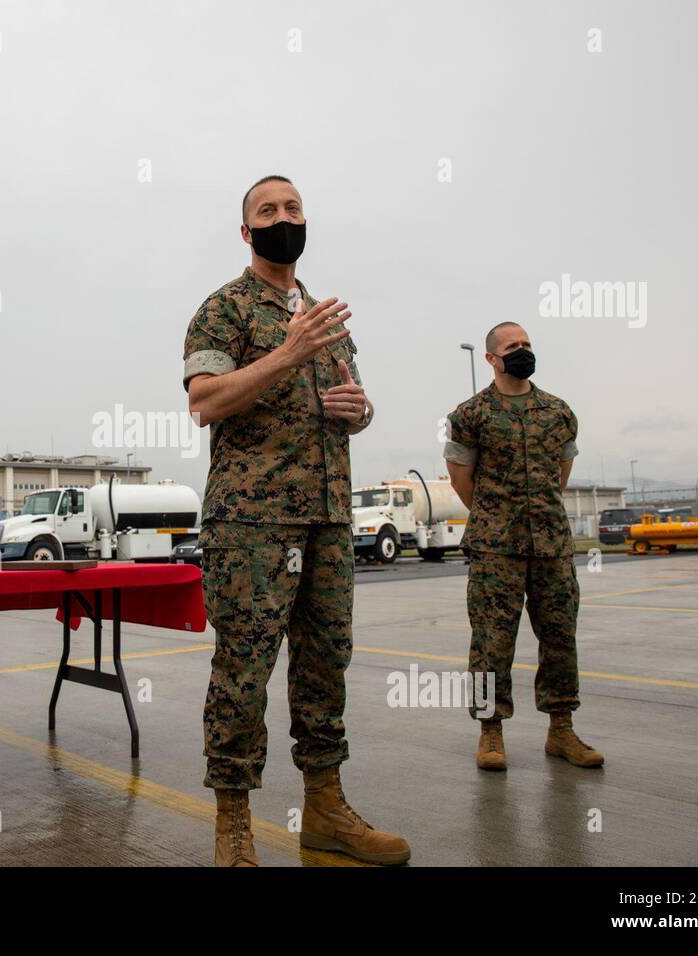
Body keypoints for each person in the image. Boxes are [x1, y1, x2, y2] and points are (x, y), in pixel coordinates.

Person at [182, 174, 408, 866]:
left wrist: (360, 411)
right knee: (244, 672)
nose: (285, 218)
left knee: (324, 668)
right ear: (247, 233)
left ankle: (325, 808)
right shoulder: (224, 310)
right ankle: (233, 824)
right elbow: (205, 400)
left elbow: (356, 402)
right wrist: (289, 353)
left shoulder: (322, 312)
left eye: (294, 208)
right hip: (251, 525)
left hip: (329, 519)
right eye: (268, 211)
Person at [443, 322, 604, 772]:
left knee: (559, 638)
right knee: (491, 643)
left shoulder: (558, 412)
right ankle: (490, 731)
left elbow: (561, 473)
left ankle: (561, 729)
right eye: (514, 347)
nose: (524, 352)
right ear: (491, 358)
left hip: (551, 545)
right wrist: (499, 517)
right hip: (497, 549)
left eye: (528, 345)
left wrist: (536, 513)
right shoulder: (470, 415)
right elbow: (461, 480)